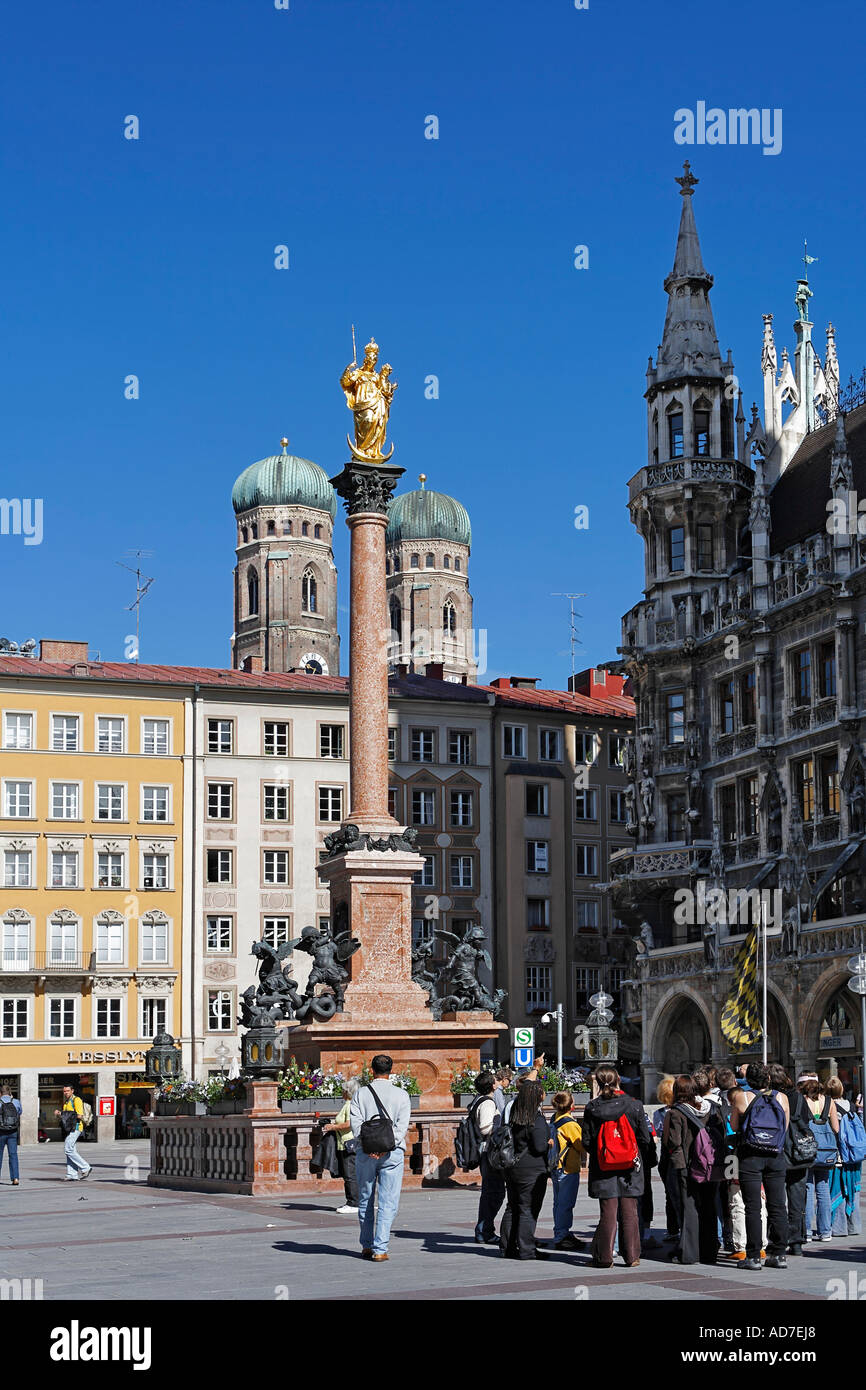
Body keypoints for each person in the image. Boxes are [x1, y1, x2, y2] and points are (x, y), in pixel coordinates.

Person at [580, 1065, 653, 1268]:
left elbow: (586, 1140)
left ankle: (605, 1257)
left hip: (604, 1166)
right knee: (630, 1211)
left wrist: (602, 1152)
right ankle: (632, 1257)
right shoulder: (634, 1105)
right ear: (618, 1079)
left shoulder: (592, 1107)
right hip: (630, 1165)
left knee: (608, 1211)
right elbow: (644, 1138)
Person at [349, 1055, 411, 1261]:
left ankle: (366, 1245)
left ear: (372, 1070)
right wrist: (386, 1146)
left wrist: (369, 1145)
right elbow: (402, 1127)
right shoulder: (401, 1094)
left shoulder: (361, 1094)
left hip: (365, 1153)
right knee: (388, 1200)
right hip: (392, 1153)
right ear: (391, 1071)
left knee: (365, 1198)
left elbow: (355, 1125)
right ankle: (380, 1248)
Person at [729, 1062, 789, 1269]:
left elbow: (735, 1126)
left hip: (750, 1156)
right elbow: (785, 1127)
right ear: (769, 1079)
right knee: (777, 1205)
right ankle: (779, 1253)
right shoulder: (782, 1098)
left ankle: (754, 1256)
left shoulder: (741, 1097)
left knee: (752, 1206)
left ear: (749, 1080)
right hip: (775, 1155)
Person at [662, 1074, 723, 1265]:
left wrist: (679, 1167)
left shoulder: (675, 1113)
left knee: (690, 1209)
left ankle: (689, 1253)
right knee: (709, 1207)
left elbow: (673, 1143)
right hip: (711, 1166)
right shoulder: (712, 1109)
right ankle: (710, 1251)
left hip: (688, 1167)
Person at [499, 1080, 551, 1259]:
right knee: (529, 1209)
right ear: (537, 1097)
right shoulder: (535, 1119)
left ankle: (507, 1247)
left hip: (513, 1167)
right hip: (532, 1170)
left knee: (513, 1207)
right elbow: (539, 1146)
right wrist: (549, 1142)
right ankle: (527, 1249)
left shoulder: (515, 1116)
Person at [768, 1063, 811, 1257]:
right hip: (799, 1153)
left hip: (776, 1152)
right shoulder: (798, 1096)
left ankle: (776, 1239)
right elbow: (805, 1121)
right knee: (797, 1199)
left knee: (775, 1200)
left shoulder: (770, 1097)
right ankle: (796, 1242)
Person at [800, 1076, 839, 1242]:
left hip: (808, 1149)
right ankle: (825, 1231)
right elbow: (836, 1128)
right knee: (823, 1190)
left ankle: (807, 1231)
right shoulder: (829, 1101)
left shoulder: (803, 1101)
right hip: (826, 1151)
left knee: (808, 1189)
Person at [825, 1075, 863, 1237]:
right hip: (854, 1155)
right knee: (852, 1190)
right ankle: (854, 1226)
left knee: (836, 1189)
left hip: (838, 1155)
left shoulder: (828, 1107)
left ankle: (839, 1227)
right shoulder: (852, 1107)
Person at [473, 1071, 506, 1244]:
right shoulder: (487, 1103)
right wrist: (500, 1130)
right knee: (494, 1192)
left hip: (485, 1151)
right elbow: (485, 1128)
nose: (498, 1082)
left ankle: (484, 1229)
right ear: (492, 1085)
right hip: (489, 1152)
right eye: (495, 1081)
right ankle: (485, 1230)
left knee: (491, 1192)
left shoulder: (478, 1100)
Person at [549, 1090, 585, 1251]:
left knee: (558, 1202)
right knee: (566, 1203)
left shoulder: (554, 1118)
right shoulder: (570, 1124)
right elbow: (581, 1144)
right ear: (571, 1106)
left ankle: (560, 1231)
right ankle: (562, 1235)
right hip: (568, 1168)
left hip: (556, 1166)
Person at [323, 1077, 360, 1214]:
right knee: (349, 1173)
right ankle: (355, 1201)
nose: (341, 1092)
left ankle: (353, 1202)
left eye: (343, 1090)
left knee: (350, 1174)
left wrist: (333, 1127)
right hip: (344, 1143)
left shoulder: (350, 1105)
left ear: (347, 1092)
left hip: (348, 1143)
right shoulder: (348, 1104)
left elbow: (349, 1123)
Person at [652, 1077, 679, 1241]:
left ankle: (672, 1229)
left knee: (669, 1194)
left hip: (666, 1155)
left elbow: (659, 1134)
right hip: (680, 1155)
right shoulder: (684, 1111)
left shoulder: (659, 1114)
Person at [55, 1084, 91, 1182]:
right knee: (71, 1150)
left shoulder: (77, 1100)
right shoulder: (66, 1102)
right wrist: (60, 1115)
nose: (65, 1093)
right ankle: (72, 1174)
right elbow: (66, 1117)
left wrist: (62, 1113)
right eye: (64, 1091)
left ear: (72, 1091)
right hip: (69, 1129)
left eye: (67, 1091)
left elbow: (79, 1115)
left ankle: (85, 1167)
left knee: (68, 1149)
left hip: (76, 1128)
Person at [0, 1085, 22, 1185]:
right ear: (10, 1092)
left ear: (0, 1093)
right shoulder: (16, 1102)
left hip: (1, 1132)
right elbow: (19, 1112)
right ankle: (15, 1178)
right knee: (13, 1155)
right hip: (13, 1131)